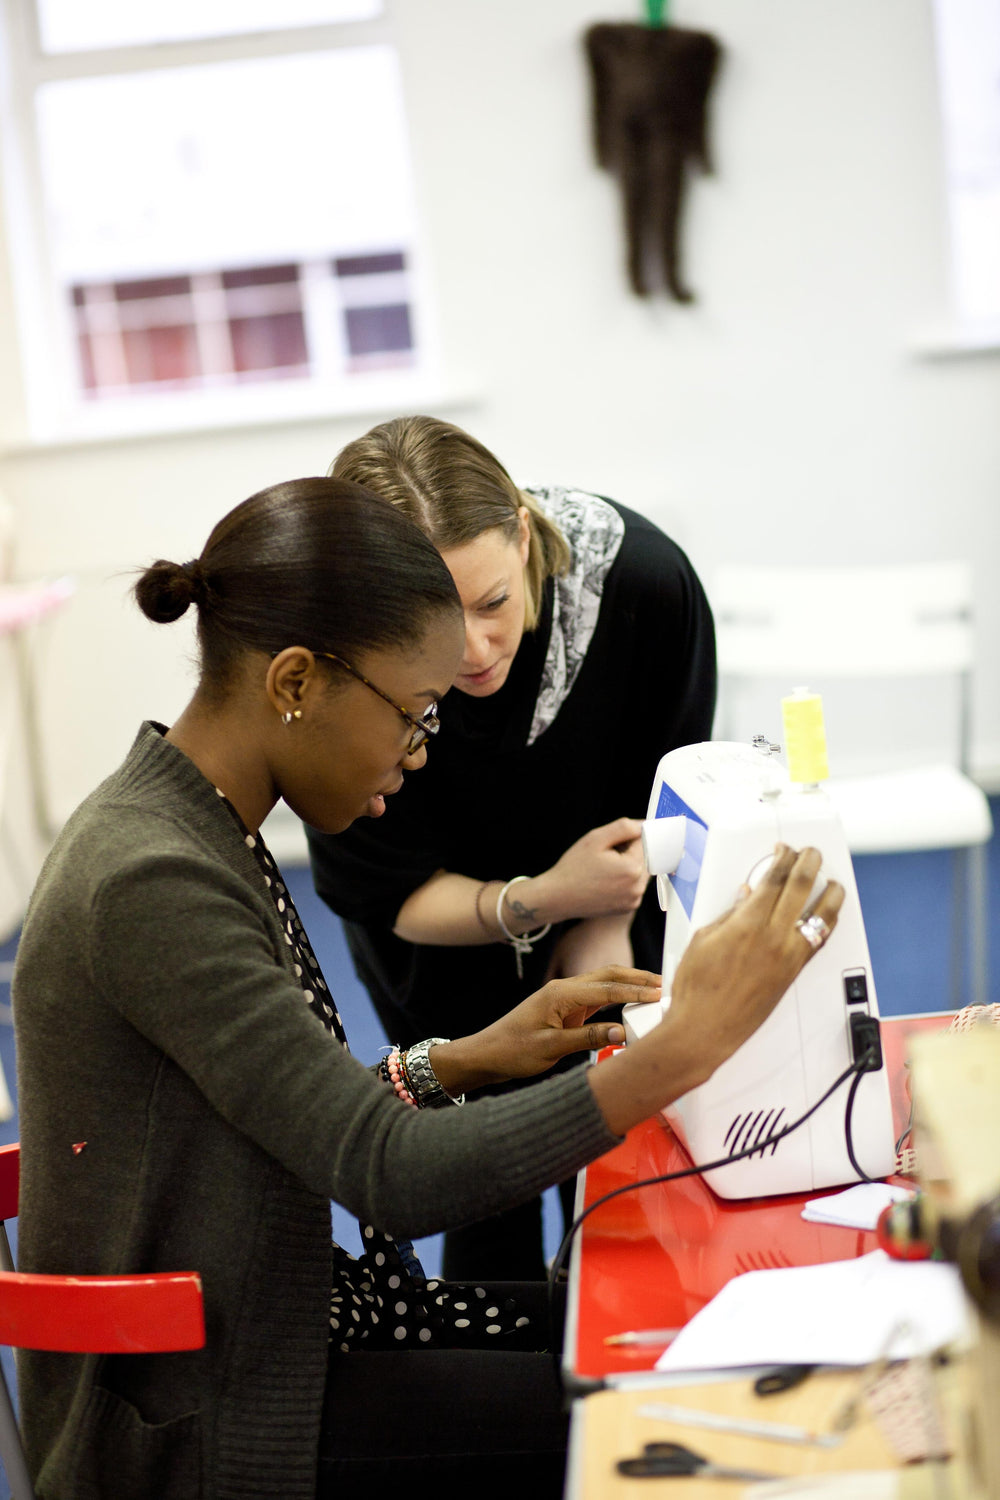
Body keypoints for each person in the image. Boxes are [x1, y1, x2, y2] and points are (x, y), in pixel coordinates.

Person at [12, 476, 842, 1500]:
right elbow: (387, 1174)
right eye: (411, 716)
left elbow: (277, 1109)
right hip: (203, 1416)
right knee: (657, 1405)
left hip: (280, 1316)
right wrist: (682, 1048)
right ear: (295, 682)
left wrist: (457, 1058)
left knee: (639, 1319)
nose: (414, 757)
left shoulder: (189, 824)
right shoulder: (151, 877)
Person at [307, 416, 717, 1279]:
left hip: (611, 901)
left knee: (619, 1166)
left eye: (492, 602)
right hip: (437, 942)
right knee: (482, 1179)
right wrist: (549, 898)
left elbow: (665, 796)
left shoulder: (643, 586)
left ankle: (612, 1377)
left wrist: (603, 919)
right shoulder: (346, 654)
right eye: (434, 625)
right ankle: (499, 1397)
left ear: (522, 531)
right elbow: (393, 894)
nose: (474, 649)